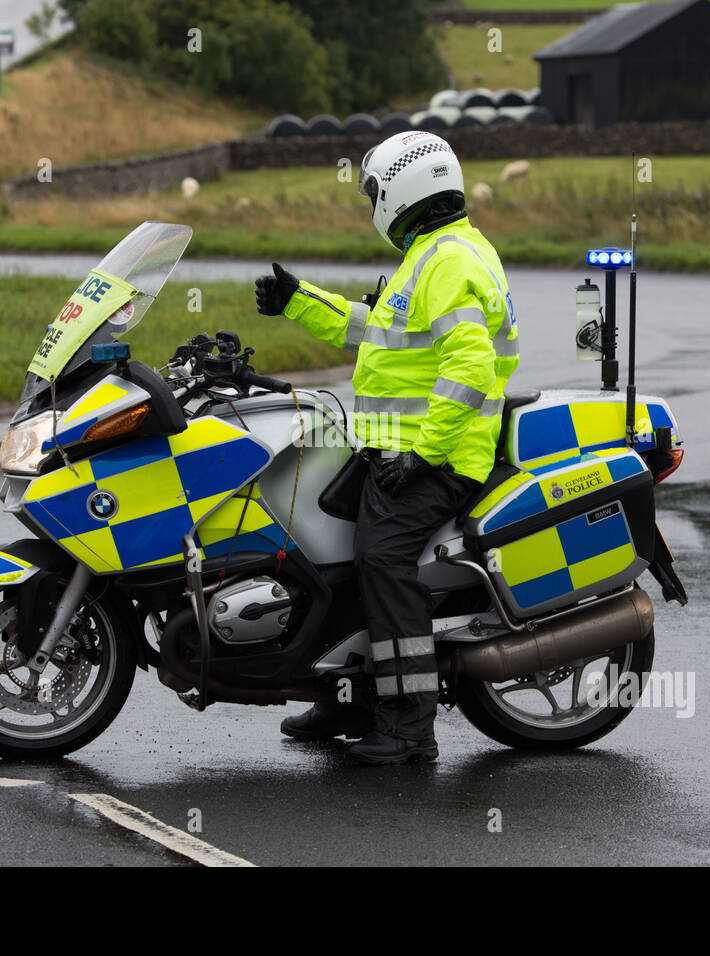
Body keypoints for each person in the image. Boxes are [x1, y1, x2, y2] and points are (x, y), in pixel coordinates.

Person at [253, 130, 520, 765]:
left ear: (403, 186)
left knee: (381, 562)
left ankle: (407, 729)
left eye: (374, 190)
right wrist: (299, 303)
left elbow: (470, 365)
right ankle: (344, 694)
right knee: (327, 549)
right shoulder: (431, 255)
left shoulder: (451, 260)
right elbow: (378, 331)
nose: (371, 201)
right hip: (391, 447)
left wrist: (425, 454)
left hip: (439, 458)